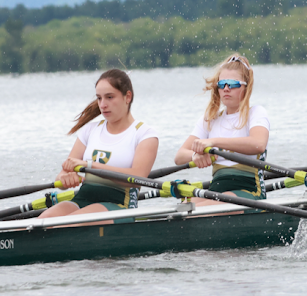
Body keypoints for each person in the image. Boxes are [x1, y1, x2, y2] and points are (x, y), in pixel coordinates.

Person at [42, 69, 159, 217]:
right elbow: (65, 171)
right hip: (83, 199)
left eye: (109, 97)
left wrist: (90, 166)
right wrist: (64, 178)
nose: (102, 105)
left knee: (71, 222)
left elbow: (137, 178)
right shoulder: (89, 130)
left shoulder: (144, 134)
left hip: (119, 204)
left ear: (127, 97)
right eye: (99, 98)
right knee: (41, 222)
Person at [175, 53, 269, 203]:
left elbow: (258, 145)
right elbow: (179, 156)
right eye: (222, 84)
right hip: (216, 190)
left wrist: (213, 143)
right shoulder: (210, 119)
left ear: (246, 86)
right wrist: (195, 156)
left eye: (232, 84)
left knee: (197, 210)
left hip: (248, 192)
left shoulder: (256, 113)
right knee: (186, 206)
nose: (226, 88)